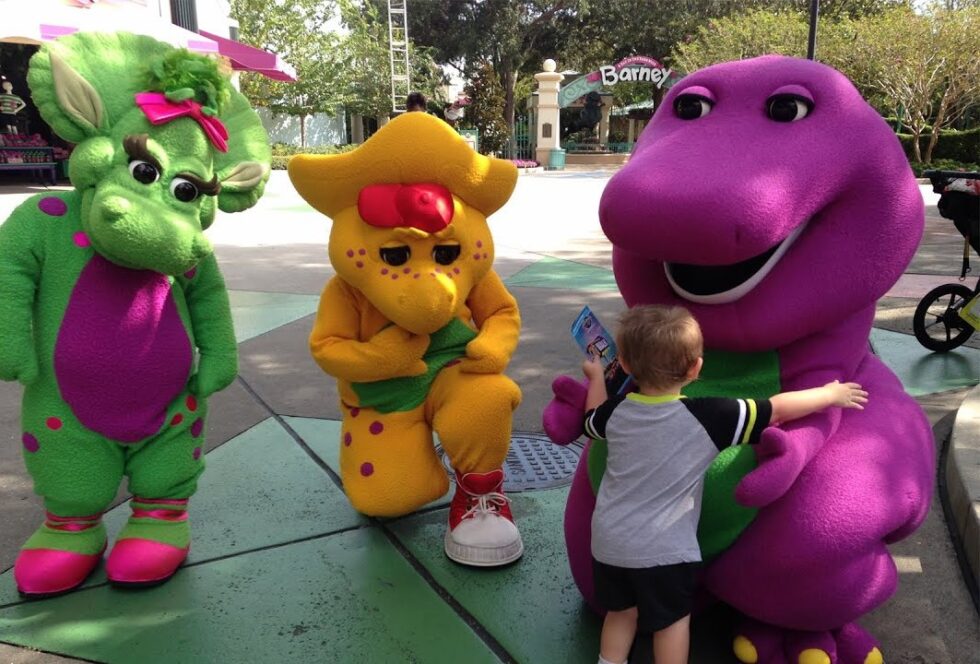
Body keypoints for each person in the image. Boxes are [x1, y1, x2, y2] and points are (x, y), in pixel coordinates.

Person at [581, 305, 867, 664]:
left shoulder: (616, 413)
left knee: (621, 613)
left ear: (623, 363)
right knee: (670, 622)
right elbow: (776, 409)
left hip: (609, 542)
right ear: (695, 368)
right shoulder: (709, 416)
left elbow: (590, 420)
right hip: (665, 550)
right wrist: (829, 395)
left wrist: (595, 377)